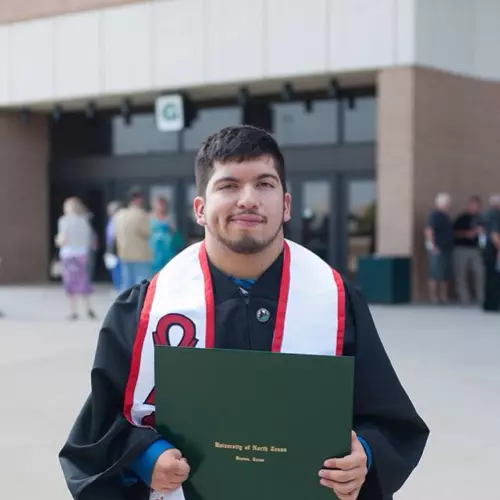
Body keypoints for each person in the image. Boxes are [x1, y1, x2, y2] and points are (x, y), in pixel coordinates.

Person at [59, 126, 429, 500]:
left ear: (285, 205)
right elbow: (101, 426)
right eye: (229, 185)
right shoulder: (144, 308)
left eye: (264, 184)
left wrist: (363, 454)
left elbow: (389, 421)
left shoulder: (335, 302)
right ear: (200, 209)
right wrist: (145, 457)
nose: (248, 199)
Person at [55, 197, 96, 320]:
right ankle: (88, 308)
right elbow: (90, 239)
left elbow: (62, 239)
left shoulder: (64, 221)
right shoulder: (84, 220)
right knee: (83, 280)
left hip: (68, 254)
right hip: (82, 254)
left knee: (70, 283)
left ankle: (72, 311)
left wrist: (57, 241)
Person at [114, 187, 153, 290]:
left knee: (126, 283)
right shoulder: (141, 215)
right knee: (141, 284)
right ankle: (139, 306)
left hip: (124, 253)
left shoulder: (119, 215)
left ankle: (124, 305)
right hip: (140, 255)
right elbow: (147, 233)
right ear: (138, 200)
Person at [452, 195, 485, 305]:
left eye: (476, 206)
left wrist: (480, 232)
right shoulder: (462, 218)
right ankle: (464, 298)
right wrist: (466, 234)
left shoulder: (482, 218)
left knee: (480, 273)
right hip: (462, 248)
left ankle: (481, 297)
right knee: (461, 274)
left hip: (477, 249)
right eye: (472, 205)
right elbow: (454, 232)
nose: (474, 207)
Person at [424, 193, 454, 304]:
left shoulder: (446, 216)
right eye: (447, 203)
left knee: (445, 273)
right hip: (437, 248)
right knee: (435, 272)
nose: (449, 205)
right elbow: (429, 229)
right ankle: (434, 297)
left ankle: (443, 296)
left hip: (447, 248)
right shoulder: (435, 215)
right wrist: (431, 245)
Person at [150, 197, 183, 274]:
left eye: (162, 204)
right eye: (158, 204)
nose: (160, 207)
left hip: (168, 249)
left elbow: (175, 233)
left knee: (167, 271)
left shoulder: (170, 217)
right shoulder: (150, 217)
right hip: (154, 251)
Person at [482, 195, 500, 312]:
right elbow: (495, 234)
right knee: (495, 278)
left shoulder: (486, 214)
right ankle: (493, 304)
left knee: (489, 277)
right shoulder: (495, 215)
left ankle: (489, 303)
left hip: (487, 250)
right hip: (494, 251)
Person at [105, 201, 122, 292]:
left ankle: (118, 287)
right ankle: (117, 287)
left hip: (115, 248)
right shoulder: (112, 220)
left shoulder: (117, 220)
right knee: (114, 267)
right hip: (112, 247)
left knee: (117, 268)